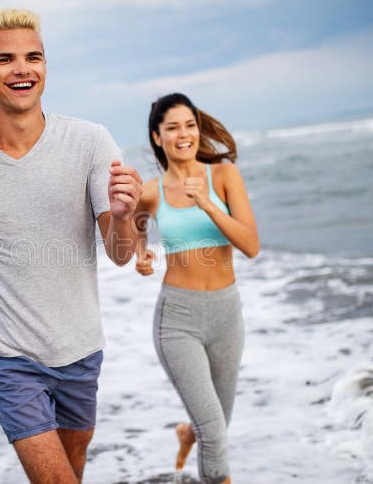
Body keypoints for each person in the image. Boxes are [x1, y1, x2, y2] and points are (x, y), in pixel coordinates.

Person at [0, 8, 143, 484]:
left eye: (33, 57)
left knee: (73, 462)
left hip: (80, 346)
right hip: (5, 355)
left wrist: (125, 217)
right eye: (5, 59)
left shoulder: (90, 142)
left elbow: (121, 254)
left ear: (45, 67)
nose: (22, 68)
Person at [133, 93, 259, 484]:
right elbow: (134, 224)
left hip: (226, 315)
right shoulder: (152, 191)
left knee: (215, 424)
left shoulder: (223, 175)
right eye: (173, 128)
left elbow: (251, 245)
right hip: (178, 319)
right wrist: (141, 253)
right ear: (158, 137)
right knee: (215, 434)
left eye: (189, 125)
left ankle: (186, 433)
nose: (183, 134)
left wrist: (207, 203)